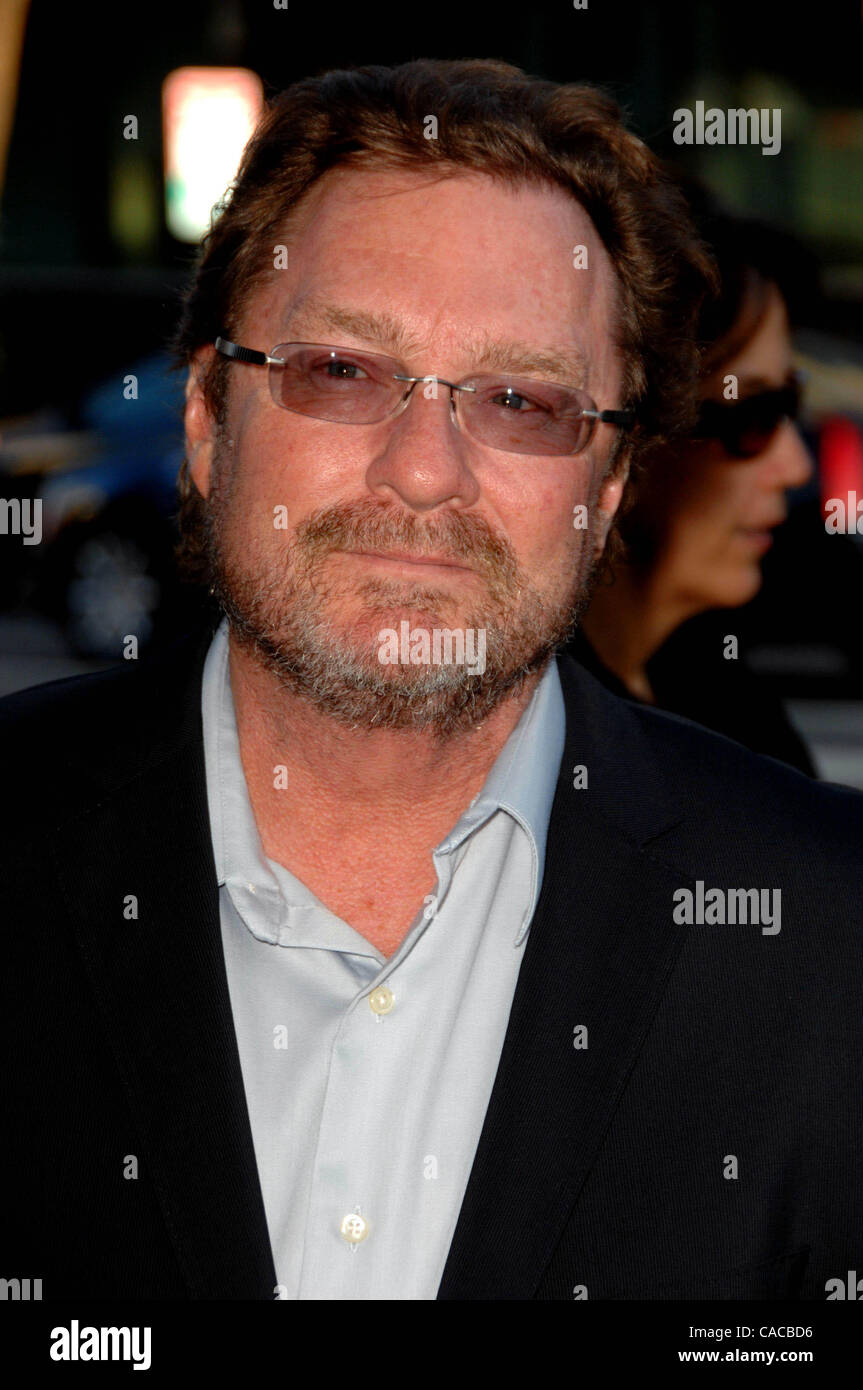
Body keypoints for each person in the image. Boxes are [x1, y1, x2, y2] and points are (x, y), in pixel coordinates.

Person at [2, 58, 862, 1303]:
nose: (423, 472)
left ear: (608, 486)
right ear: (204, 420)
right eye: (341, 371)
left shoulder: (824, 940)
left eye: (520, 400)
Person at [572, 190, 817, 773]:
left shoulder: (729, 705)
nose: (797, 467)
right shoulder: (542, 741)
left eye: (791, 403)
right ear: (626, 435)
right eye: (751, 417)